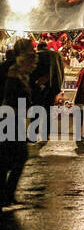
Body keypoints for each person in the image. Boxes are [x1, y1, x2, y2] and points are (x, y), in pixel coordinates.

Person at [1, 51, 35, 207]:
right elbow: (12, 100)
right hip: (10, 120)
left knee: (11, 158)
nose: (34, 66)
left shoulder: (21, 77)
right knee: (16, 157)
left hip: (14, 120)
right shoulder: (14, 78)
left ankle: (6, 195)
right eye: (32, 63)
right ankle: (6, 195)